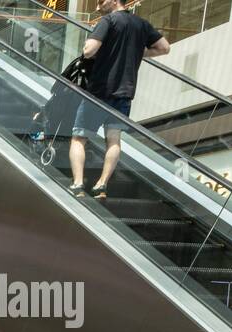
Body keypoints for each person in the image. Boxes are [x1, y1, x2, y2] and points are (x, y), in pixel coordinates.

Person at [69, 0, 168, 199]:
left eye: (100, 0)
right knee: (113, 139)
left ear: (114, 1)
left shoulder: (109, 21)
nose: (98, 4)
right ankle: (102, 185)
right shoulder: (142, 24)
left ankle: (78, 184)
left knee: (79, 138)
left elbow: (89, 51)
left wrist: (92, 45)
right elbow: (164, 47)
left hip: (99, 92)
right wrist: (138, 52)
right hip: (124, 93)